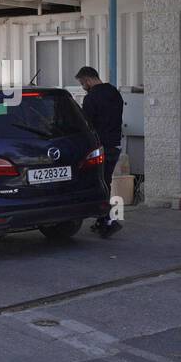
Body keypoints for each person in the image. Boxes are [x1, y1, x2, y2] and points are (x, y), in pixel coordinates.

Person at [75, 66, 124, 238]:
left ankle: (109, 220)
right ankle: (103, 221)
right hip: (115, 144)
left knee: (100, 183)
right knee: (105, 181)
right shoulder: (114, 92)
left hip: (101, 146)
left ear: (88, 80)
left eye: (82, 83)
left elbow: (86, 124)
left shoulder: (91, 99)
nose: (82, 87)